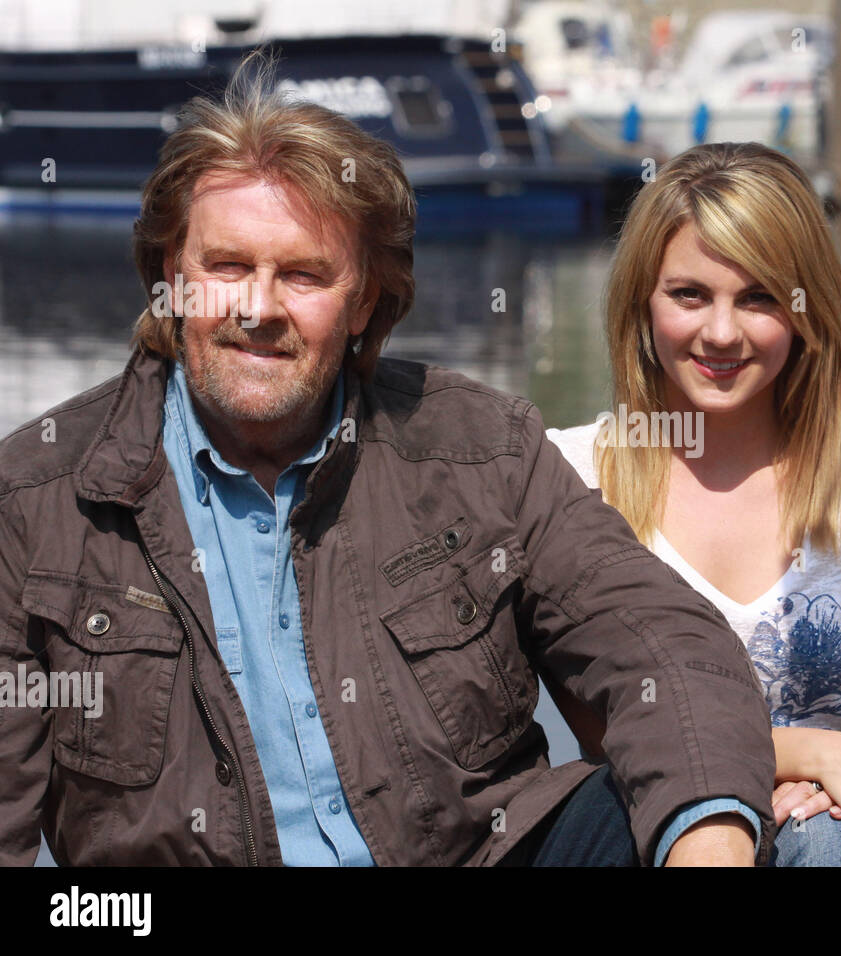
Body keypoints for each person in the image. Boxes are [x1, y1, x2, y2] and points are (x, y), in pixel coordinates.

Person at [0, 54, 779, 867]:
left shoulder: (483, 446)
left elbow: (665, 645)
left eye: (304, 275)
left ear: (366, 299)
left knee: (774, 827)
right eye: (227, 267)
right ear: (172, 275)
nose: (258, 309)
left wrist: (709, 839)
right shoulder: (33, 498)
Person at [546, 142, 841, 866]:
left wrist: (837, 791)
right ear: (641, 303)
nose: (721, 333)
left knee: (825, 839)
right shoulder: (571, 479)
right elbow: (611, 738)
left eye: (759, 298)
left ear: (808, 311)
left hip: (834, 846)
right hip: (640, 838)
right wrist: (815, 752)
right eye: (689, 296)